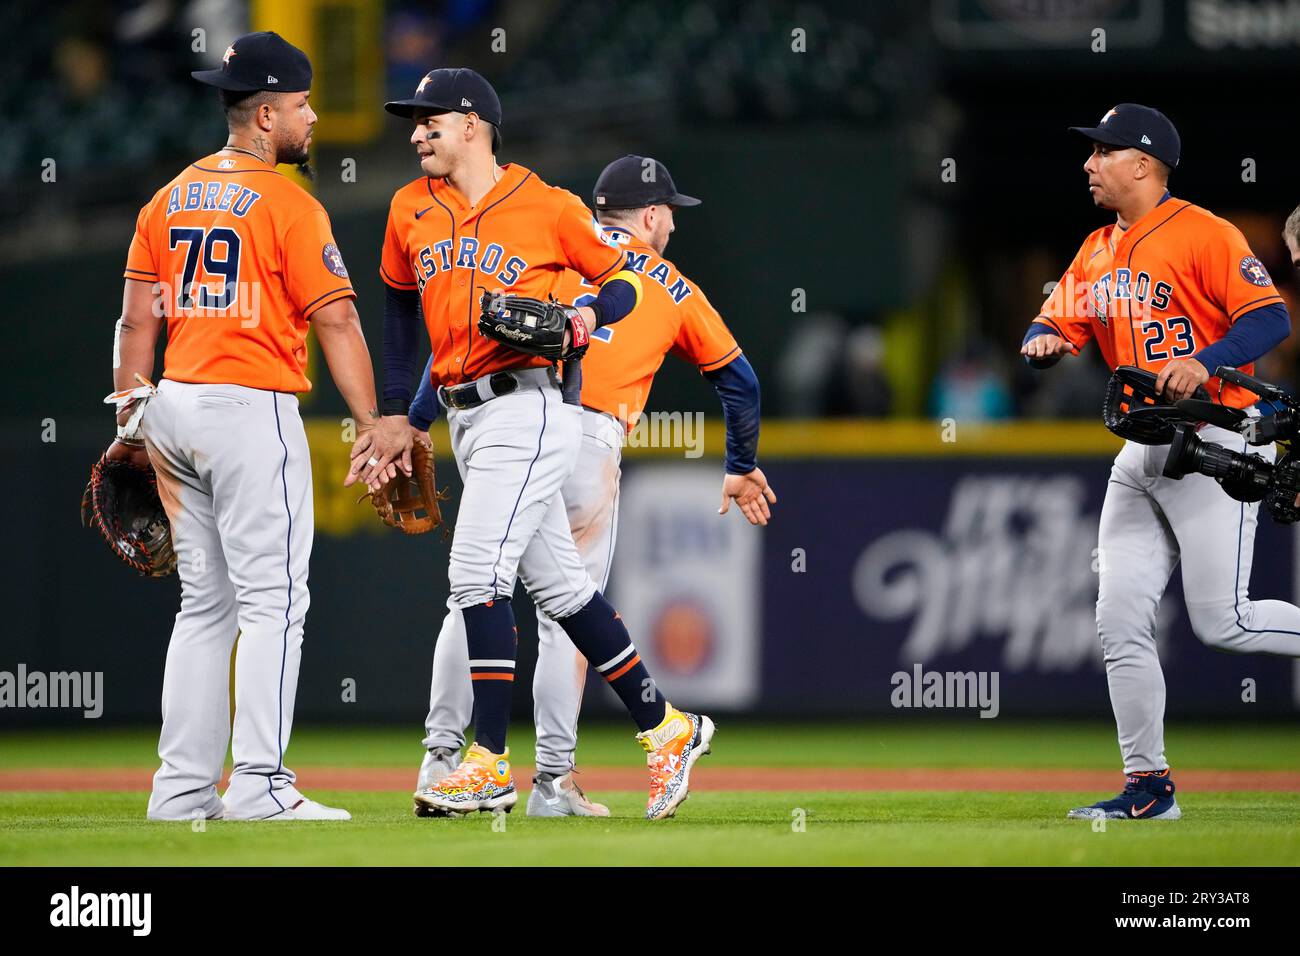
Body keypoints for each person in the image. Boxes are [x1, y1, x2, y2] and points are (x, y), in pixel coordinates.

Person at [354, 70, 714, 820]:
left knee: (474, 575)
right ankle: (666, 725)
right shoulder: (407, 207)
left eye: (430, 120)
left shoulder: (548, 205)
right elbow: (394, 308)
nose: (416, 132)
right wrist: (397, 413)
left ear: (474, 124)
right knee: (564, 591)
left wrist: (583, 316)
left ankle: (487, 763)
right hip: (463, 416)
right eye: (413, 122)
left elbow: (623, 282)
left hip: (530, 406)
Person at [411, 155, 775, 817]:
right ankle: (555, 783)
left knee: (475, 593)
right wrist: (739, 462)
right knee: (552, 610)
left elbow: (458, 338)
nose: (671, 226)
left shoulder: (552, 238)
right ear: (654, 214)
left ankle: (445, 757)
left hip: (505, 413)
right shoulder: (672, 284)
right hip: (581, 437)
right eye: (670, 215)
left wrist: (414, 419)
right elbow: (739, 380)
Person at [116, 32, 385, 821]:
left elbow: (136, 322)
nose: (311, 121)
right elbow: (335, 320)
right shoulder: (290, 202)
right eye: (301, 107)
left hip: (172, 403)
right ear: (265, 115)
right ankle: (261, 785)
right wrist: (371, 420)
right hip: (247, 407)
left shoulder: (166, 197)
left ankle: (180, 792)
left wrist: (133, 417)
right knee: (276, 603)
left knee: (205, 606)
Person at [1020, 104, 1297, 820]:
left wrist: (1205, 362)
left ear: (1143, 163)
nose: (1089, 164)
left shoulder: (1205, 232)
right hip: (1140, 453)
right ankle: (1149, 787)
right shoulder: (1096, 247)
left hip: (1216, 439)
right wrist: (1044, 336)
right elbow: (1058, 313)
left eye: (1103, 152)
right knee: (1118, 619)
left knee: (1224, 621)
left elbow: (1270, 317)